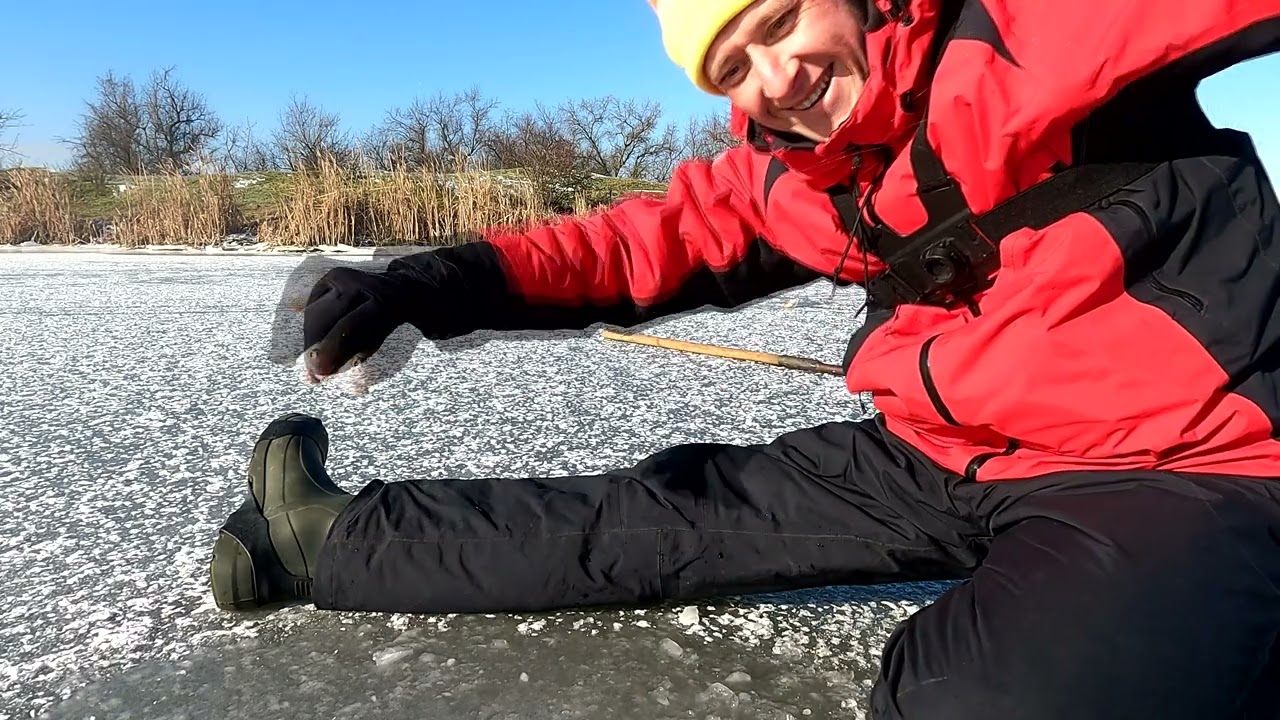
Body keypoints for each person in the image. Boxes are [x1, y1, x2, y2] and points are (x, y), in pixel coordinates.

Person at [209, 0, 1280, 717]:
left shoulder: (1028, 30)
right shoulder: (793, 172)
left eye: (778, 19)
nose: (778, 75)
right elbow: (633, 245)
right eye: (734, 66)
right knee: (659, 511)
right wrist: (429, 282)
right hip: (939, 454)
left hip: (1181, 468)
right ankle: (324, 538)